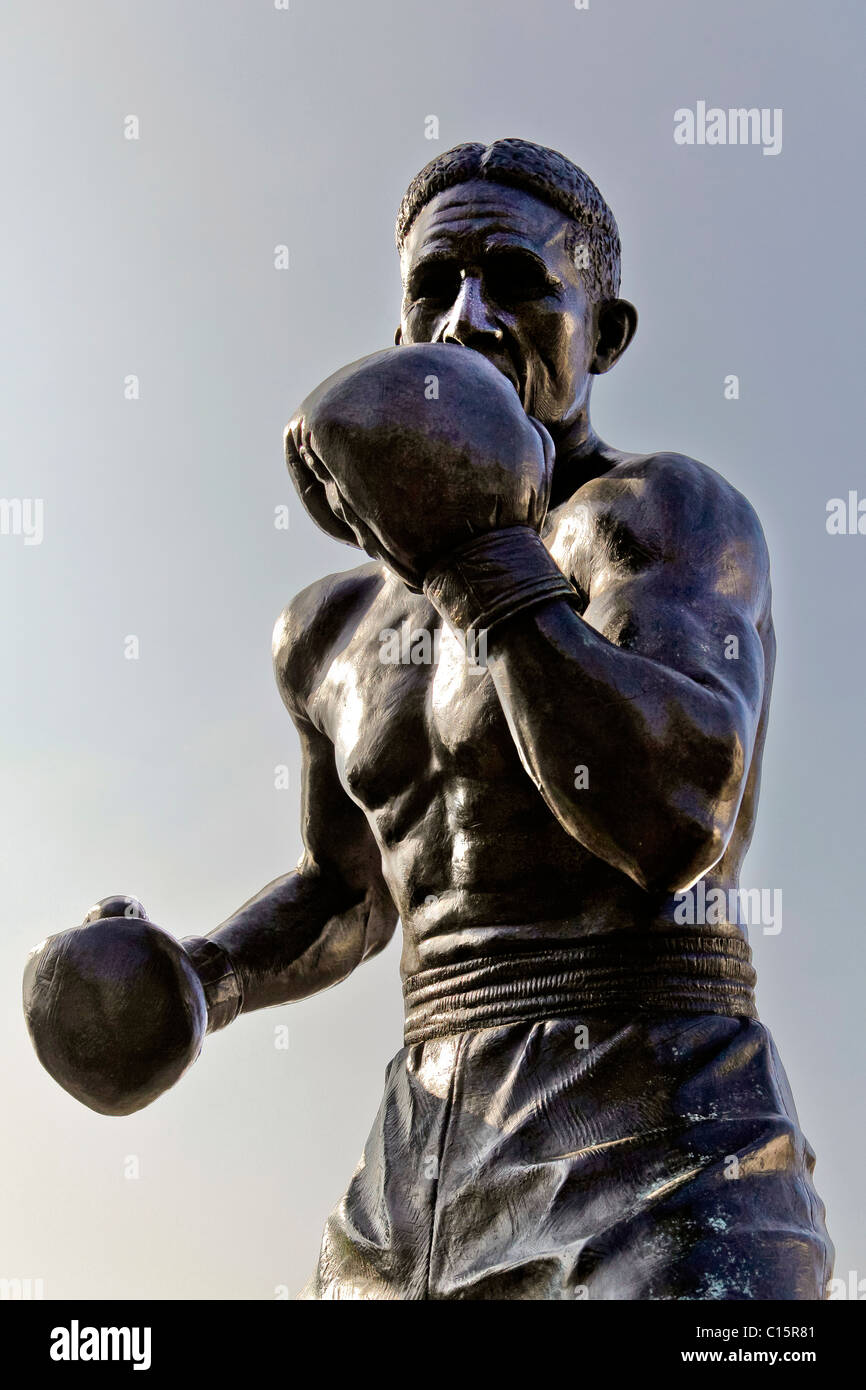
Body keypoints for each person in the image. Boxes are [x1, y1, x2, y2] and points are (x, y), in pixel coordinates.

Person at [24, 139, 833, 1300]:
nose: (465, 318)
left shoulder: (662, 516)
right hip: (415, 1158)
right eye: (431, 286)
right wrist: (200, 978)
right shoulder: (330, 630)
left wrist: (482, 563)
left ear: (599, 334)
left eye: (515, 281)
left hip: (655, 1127)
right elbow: (346, 889)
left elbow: (673, 813)